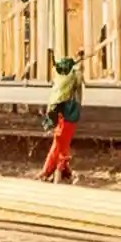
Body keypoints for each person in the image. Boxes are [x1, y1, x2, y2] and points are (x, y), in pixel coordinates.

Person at [39, 51, 84, 183]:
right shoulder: (72, 79)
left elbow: (70, 68)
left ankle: (50, 172)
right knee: (62, 147)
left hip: (62, 119)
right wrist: (80, 60)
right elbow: (79, 75)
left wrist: (78, 58)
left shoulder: (60, 78)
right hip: (68, 118)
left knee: (58, 146)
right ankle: (57, 173)